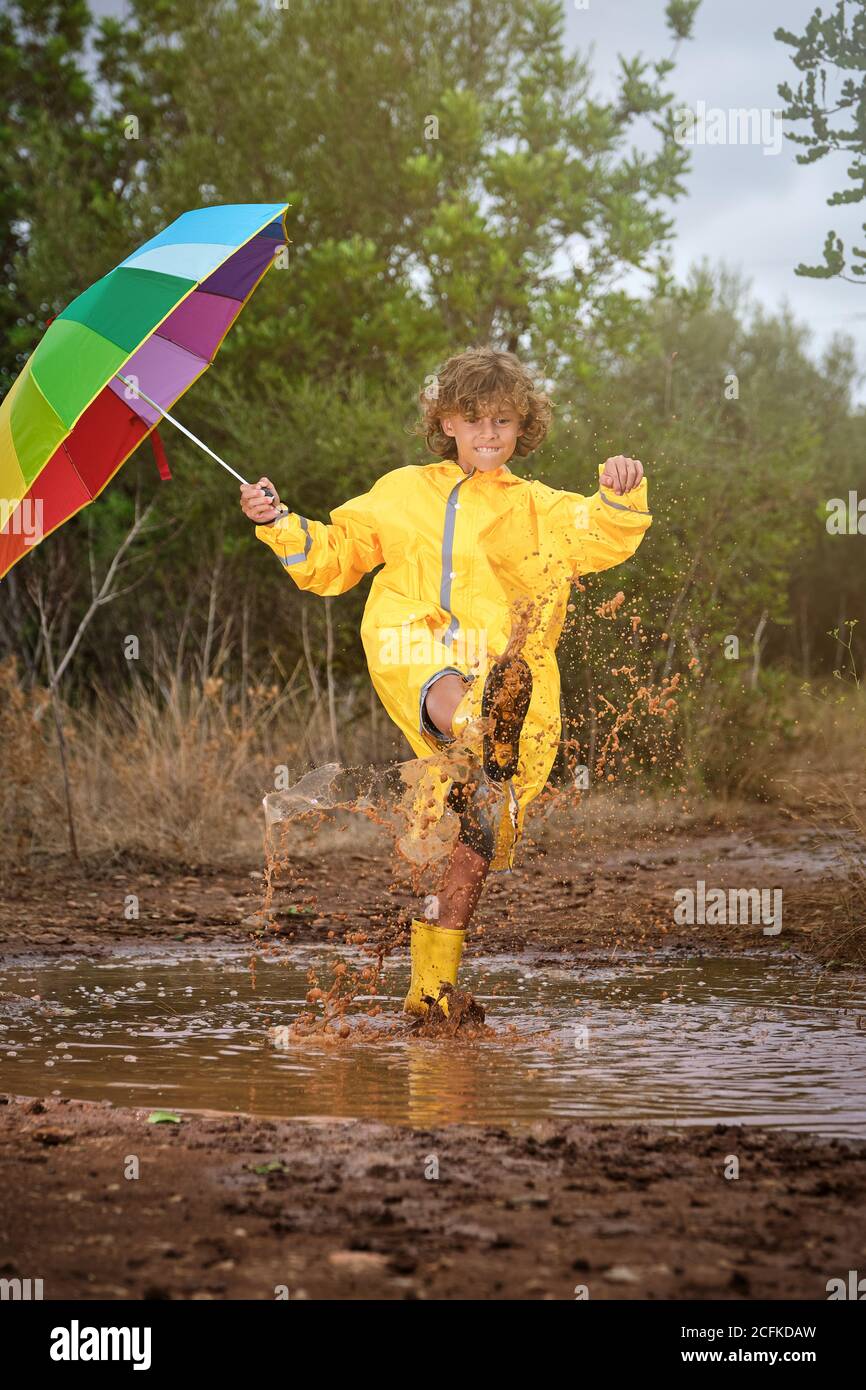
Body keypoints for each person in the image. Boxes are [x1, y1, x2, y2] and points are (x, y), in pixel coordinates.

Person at [240, 346, 651, 1016]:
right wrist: (279, 522)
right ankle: (479, 727)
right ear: (448, 423)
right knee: (446, 680)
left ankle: (429, 991)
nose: (490, 433)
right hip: (414, 643)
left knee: (475, 837)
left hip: (508, 668)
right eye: (475, 418)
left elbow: (600, 533)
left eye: (504, 421)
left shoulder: (539, 506)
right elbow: (336, 558)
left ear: (522, 429)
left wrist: (619, 491)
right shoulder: (401, 492)